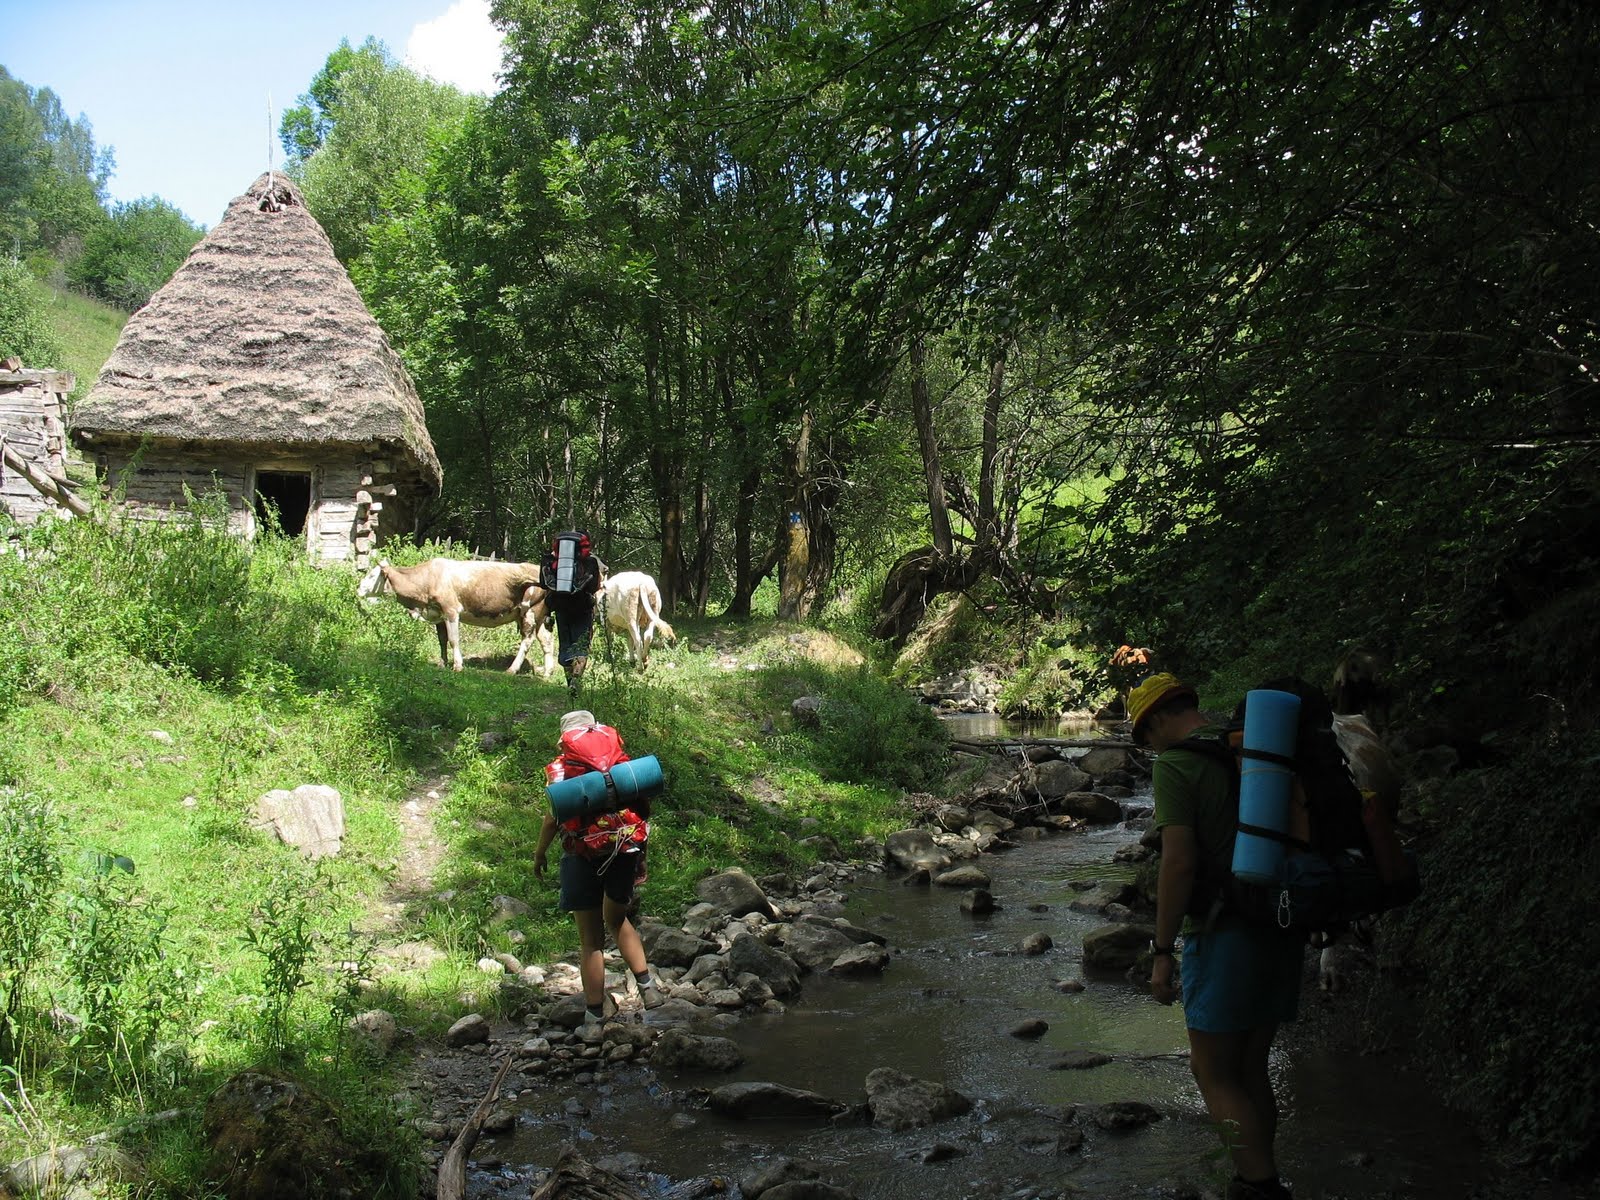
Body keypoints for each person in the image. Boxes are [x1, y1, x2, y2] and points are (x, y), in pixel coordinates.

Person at [1132, 672, 1304, 1200]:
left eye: (1144, 735)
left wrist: (1162, 952)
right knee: (1251, 1065)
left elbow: (1179, 863)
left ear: (1159, 718)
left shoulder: (1177, 765)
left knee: (1212, 1073)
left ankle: (1257, 1185)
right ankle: (1260, 1172)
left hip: (1223, 930)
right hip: (1282, 922)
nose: (1147, 746)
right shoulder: (1248, 751)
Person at [533, 709, 664, 1023]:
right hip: (624, 848)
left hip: (582, 853)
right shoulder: (620, 763)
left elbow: (553, 819)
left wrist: (539, 855)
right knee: (617, 920)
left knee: (590, 939)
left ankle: (593, 1018)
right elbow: (643, 805)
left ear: (566, 739)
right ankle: (648, 989)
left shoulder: (561, 768)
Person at [541, 530, 604, 692]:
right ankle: (577, 680)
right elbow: (595, 587)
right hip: (583, 609)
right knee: (581, 646)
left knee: (565, 646)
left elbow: (544, 585)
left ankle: (569, 682)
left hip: (561, 609)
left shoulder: (552, 562)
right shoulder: (590, 563)